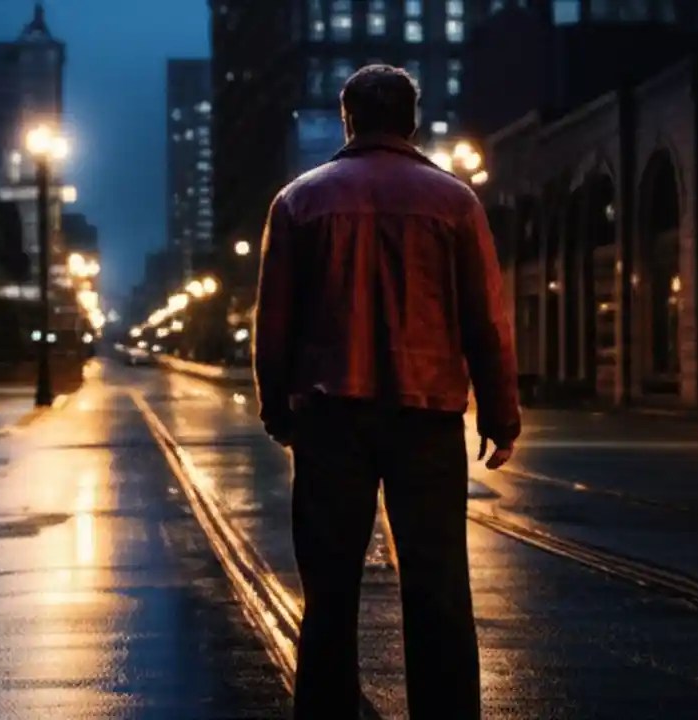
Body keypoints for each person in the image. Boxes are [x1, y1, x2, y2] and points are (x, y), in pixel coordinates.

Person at [253, 64, 520, 719]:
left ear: (348, 119)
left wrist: (276, 408)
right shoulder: (455, 201)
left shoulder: (299, 201)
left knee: (330, 589)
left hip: (329, 416)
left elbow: (274, 321)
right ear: (412, 122)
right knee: (437, 587)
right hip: (426, 415)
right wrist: (500, 413)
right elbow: (486, 316)